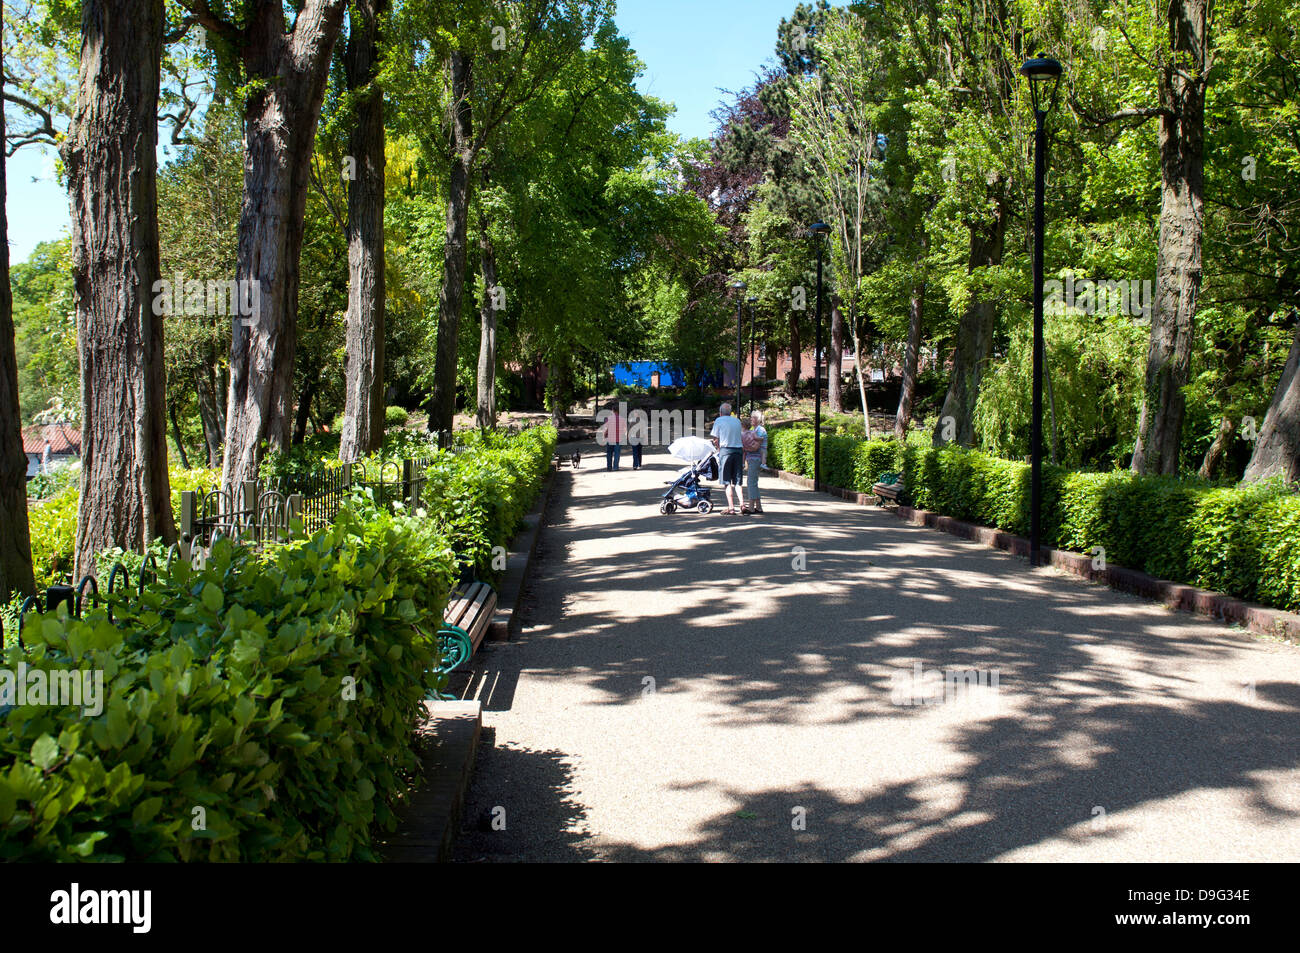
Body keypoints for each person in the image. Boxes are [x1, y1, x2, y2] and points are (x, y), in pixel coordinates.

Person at [710, 402, 745, 514]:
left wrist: (719, 449)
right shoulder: (737, 421)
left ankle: (731, 507)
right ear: (730, 413)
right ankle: (742, 504)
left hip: (726, 451)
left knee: (726, 481)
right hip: (738, 451)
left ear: (720, 413)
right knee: (738, 481)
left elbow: (715, 439)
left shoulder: (718, 421)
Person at [741, 410, 768, 515]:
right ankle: (759, 507)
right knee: (754, 483)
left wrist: (744, 448)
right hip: (753, 458)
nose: (751, 419)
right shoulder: (755, 430)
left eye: (752, 417)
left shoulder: (760, 430)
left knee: (751, 482)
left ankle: (752, 507)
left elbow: (755, 447)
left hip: (755, 458)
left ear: (756, 419)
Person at [600, 402, 626, 470]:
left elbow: (605, 429)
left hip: (610, 439)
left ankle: (609, 467)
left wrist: (603, 437)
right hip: (618, 439)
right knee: (617, 454)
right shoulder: (622, 419)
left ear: (612, 410)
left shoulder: (608, 418)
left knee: (609, 453)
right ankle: (615, 467)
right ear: (618, 411)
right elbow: (624, 430)